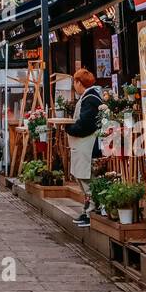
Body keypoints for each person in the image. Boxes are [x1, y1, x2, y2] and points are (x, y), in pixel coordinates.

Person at [65, 68, 102, 227]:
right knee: (82, 178)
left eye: (75, 82)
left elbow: (86, 124)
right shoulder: (89, 97)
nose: (74, 85)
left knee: (87, 178)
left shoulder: (90, 99)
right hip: (81, 145)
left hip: (85, 145)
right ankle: (87, 210)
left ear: (79, 82)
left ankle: (91, 211)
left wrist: (69, 128)